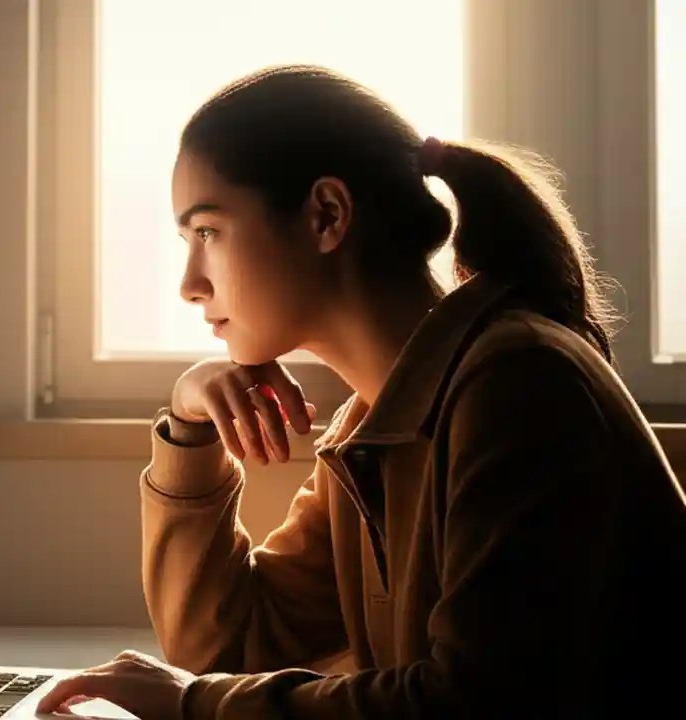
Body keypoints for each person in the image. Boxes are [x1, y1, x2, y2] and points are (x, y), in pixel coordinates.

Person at [37, 65, 686, 719]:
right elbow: (228, 648)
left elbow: (477, 701)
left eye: (208, 232)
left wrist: (200, 705)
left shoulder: (518, 381)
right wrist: (189, 428)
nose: (189, 284)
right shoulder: (373, 424)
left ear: (326, 215)